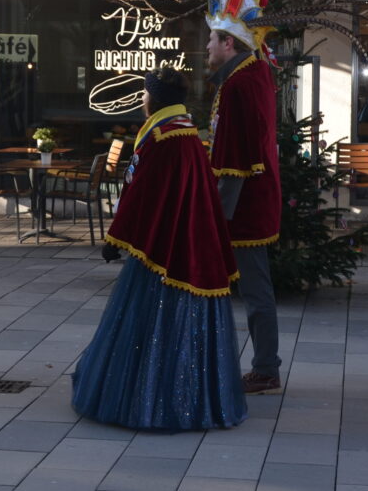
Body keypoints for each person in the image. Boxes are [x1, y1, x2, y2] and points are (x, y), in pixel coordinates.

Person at [72, 68, 246, 429]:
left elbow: (142, 196)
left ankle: (148, 401)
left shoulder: (163, 138)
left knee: (150, 328)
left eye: (145, 93)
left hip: (162, 251)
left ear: (153, 98)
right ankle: (195, 400)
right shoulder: (186, 133)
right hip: (191, 244)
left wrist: (115, 237)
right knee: (186, 329)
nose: (142, 99)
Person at [203, 0, 283, 395]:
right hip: (251, 200)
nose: (207, 48)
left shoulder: (240, 84)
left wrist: (215, 217)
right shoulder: (248, 75)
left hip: (244, 206)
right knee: (254, 289)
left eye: (211, 40)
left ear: (229, 44)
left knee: (254, 291)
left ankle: (266, 368)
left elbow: (234, 160)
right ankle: (262, 365)